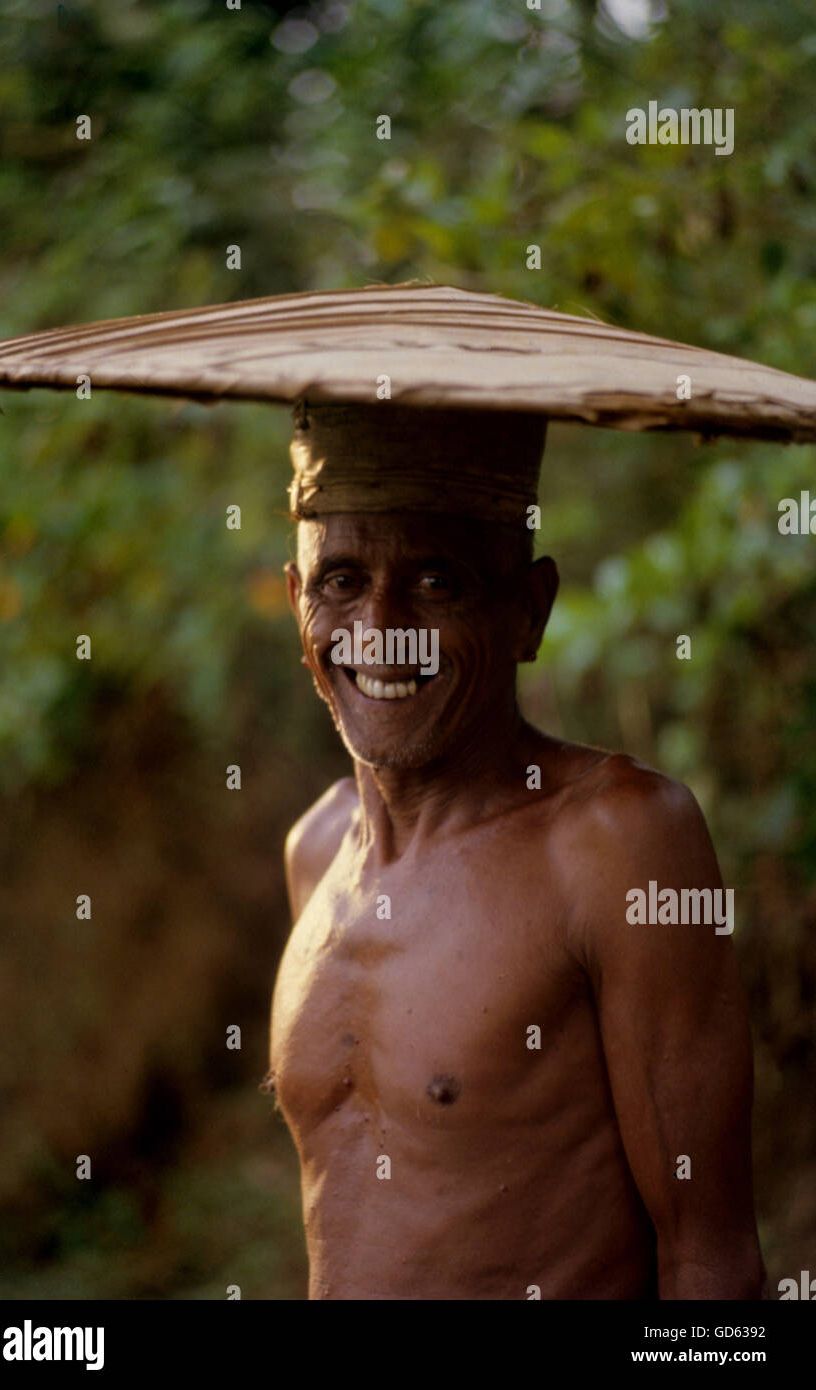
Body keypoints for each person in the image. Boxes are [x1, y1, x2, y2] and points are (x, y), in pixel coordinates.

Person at [268, 400, 766, 1301]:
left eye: (436, 582)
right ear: (297, 602)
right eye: (341, 579)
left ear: (527, 611)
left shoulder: (617, 845)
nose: (381, 628)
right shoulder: (315, 851)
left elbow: (712, 1260)